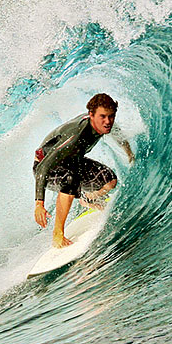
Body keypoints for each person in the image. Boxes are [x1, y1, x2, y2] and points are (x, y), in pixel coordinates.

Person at [33, 93, 134, 248]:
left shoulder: (104, 125)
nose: (108, 121)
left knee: (110, 181)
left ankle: (88, 199)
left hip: (72, 162)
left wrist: (129, 154)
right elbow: (43, 167)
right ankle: (58, 235)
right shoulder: (76, 134)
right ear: (91, 115)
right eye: (103, 117)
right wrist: (39, 203)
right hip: (47, 167)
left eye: (111, 116)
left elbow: (118, 135)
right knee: (70, 180)